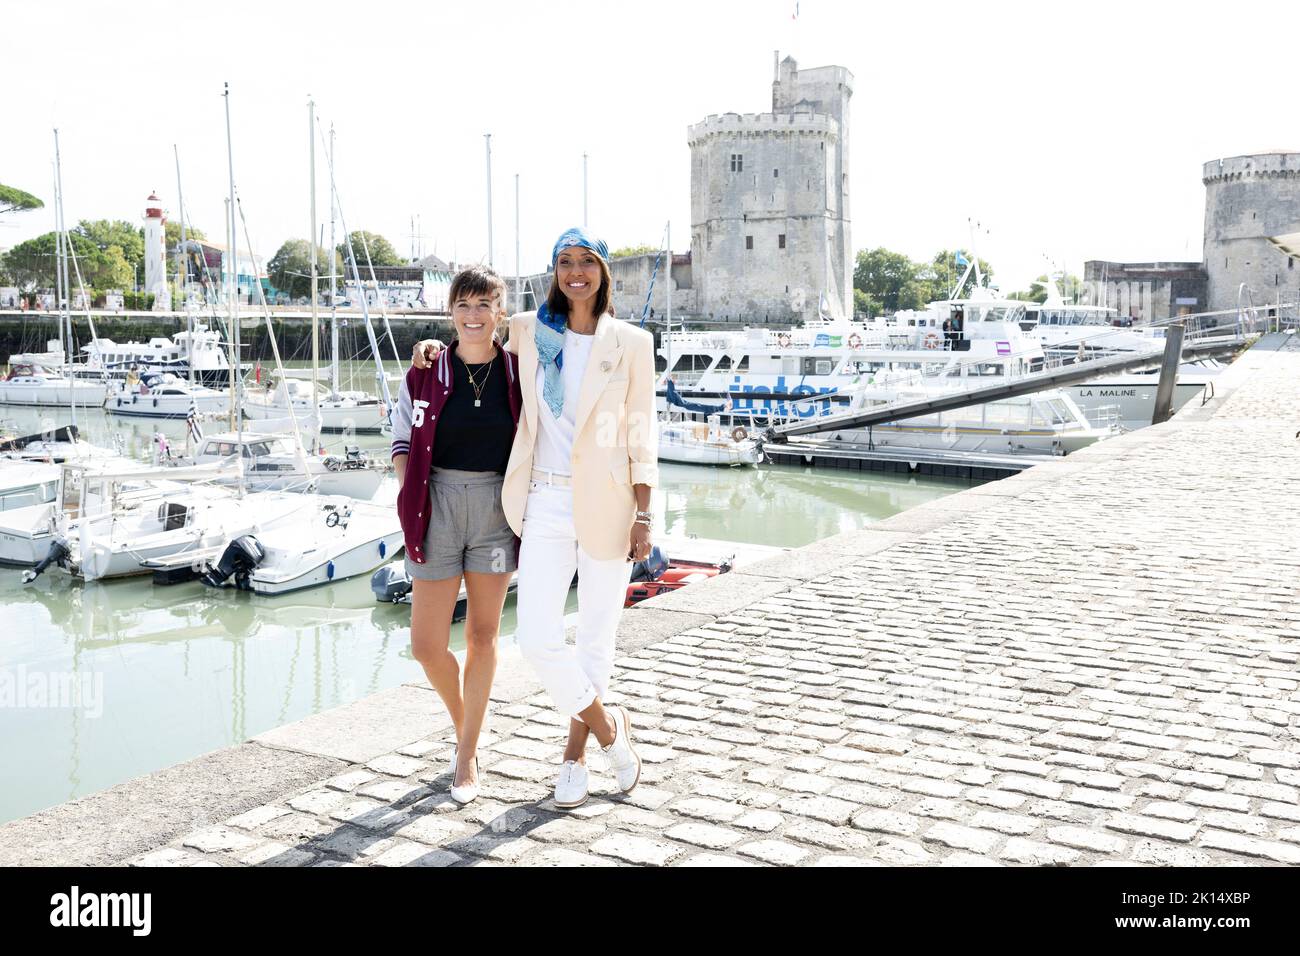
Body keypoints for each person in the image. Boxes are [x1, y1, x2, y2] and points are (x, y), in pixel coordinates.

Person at [410, 226, 658, 809]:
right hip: (544, 500)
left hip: (612, 500)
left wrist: (644, 513)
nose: (576, 272)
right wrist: (428, 348)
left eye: (587, 262)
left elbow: (643, 432)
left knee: (596, 638)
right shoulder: (530, 330)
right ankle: (609, 730)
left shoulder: (632, 342)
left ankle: (574, 758)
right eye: (565, 262)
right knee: (537, 637)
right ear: (554, 271)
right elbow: (474, 333)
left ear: (603, 272)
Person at [391, 265, 522, 806]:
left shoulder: (518, 371)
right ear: (450, 312)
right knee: (426, 645)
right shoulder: (426, 369)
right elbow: (401, 435)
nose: (474, 315)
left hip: (496, 505)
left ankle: (466, 754)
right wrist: (410, 488)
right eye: (464, 304)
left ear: (500, 312)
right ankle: (467, 721)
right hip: (436, 502)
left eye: (484, 304)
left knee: (483, 637)